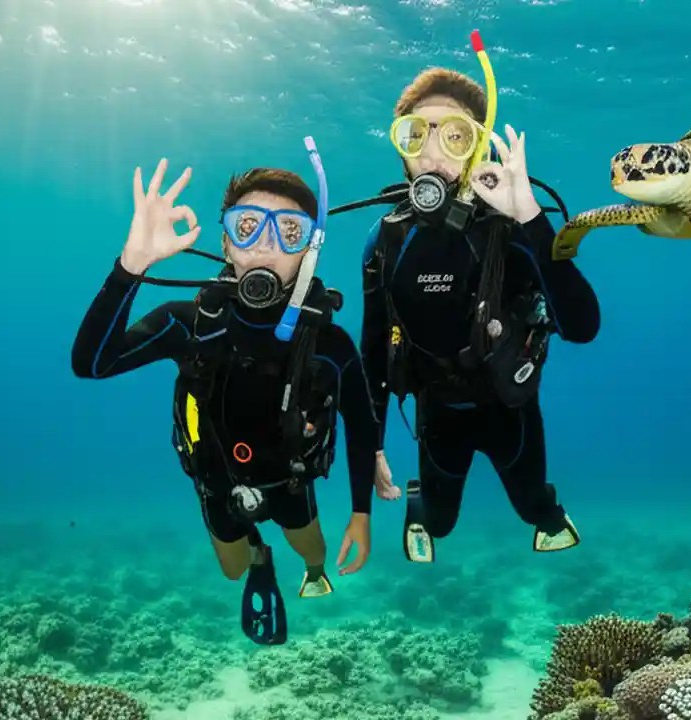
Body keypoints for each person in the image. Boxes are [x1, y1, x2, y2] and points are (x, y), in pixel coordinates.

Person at [71, 157, 381, 644]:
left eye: (290, 232)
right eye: (248, 227)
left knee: (314, 554)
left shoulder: (329, 344)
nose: (265, 246)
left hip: (290, 479)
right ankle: (260, 557)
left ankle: (309, 569)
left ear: (309, 252)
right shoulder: (190, 323)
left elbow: (362, 425)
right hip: (217, 481)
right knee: (235, 569)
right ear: (226, 243)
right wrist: (131, 267)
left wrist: (361, 514)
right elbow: (91, 363)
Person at [336, 58, 601, 563]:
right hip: (439, 413)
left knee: (533, 504)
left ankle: (542, 511)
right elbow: (373, 350)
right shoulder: (386, 241)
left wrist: (529, 215)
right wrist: (372, 445)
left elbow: (583, 327)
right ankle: (421, 504)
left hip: (512, 405)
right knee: (439, 523)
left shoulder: (511, 226)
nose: (433, 154)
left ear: (478, 147)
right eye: (416, 135)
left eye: (455, 136)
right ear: (401, 149)